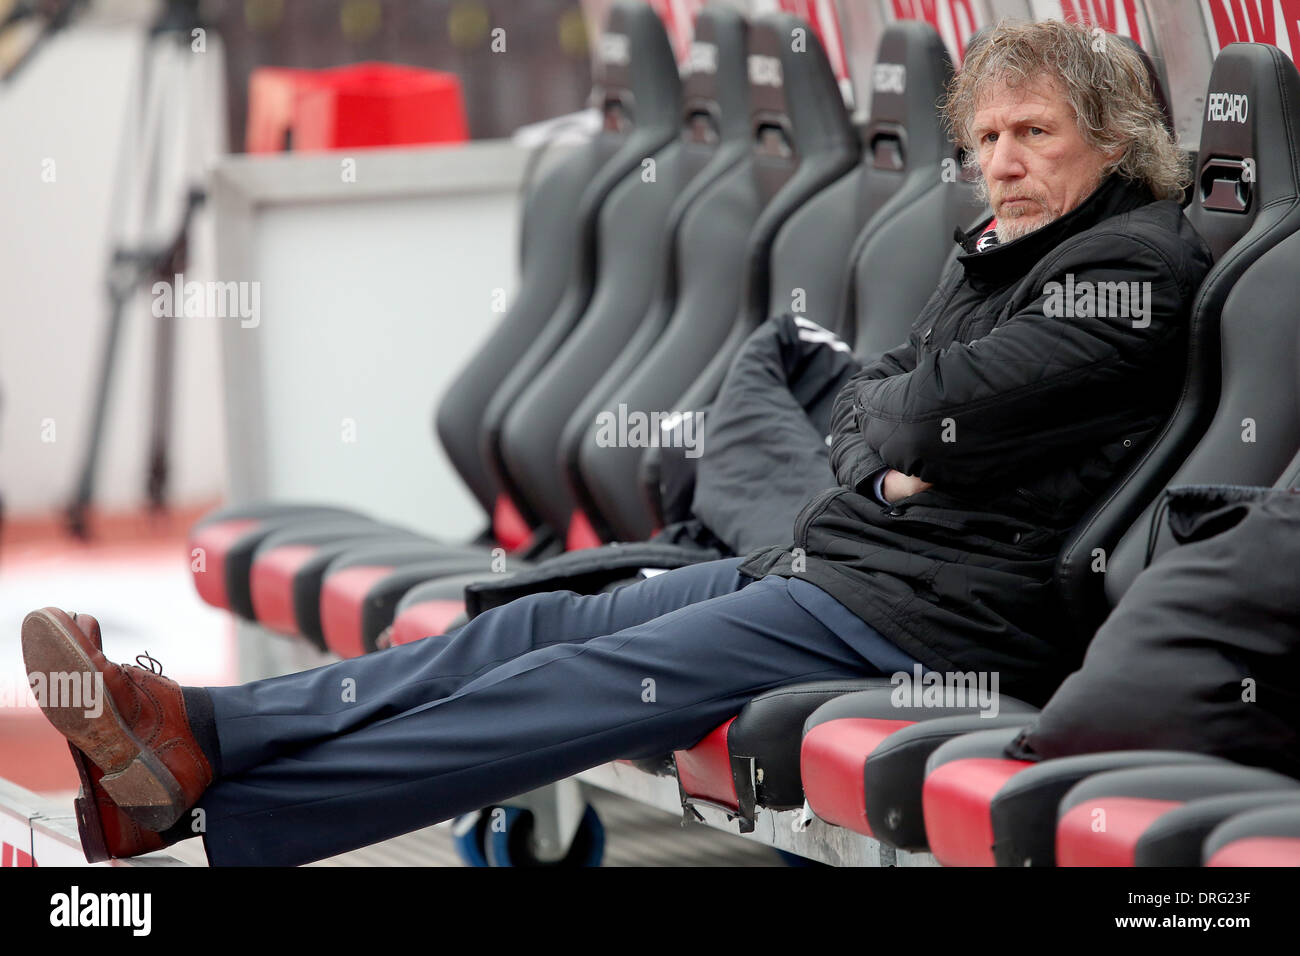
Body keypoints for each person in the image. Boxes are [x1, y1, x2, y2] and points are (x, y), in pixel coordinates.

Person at [22, 19, 1212, 866]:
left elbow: (907, 409)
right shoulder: (1004, 254)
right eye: (986, 137)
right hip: (848, 566)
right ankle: (203, 731)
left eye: (1034, 134)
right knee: (534, 619)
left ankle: (227, 826)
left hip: (932, 616)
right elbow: (870, 409)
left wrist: (898, 433)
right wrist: (892, 442)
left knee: (569, 684)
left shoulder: (1126, 273)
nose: (999, 163)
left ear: (1112, 143)